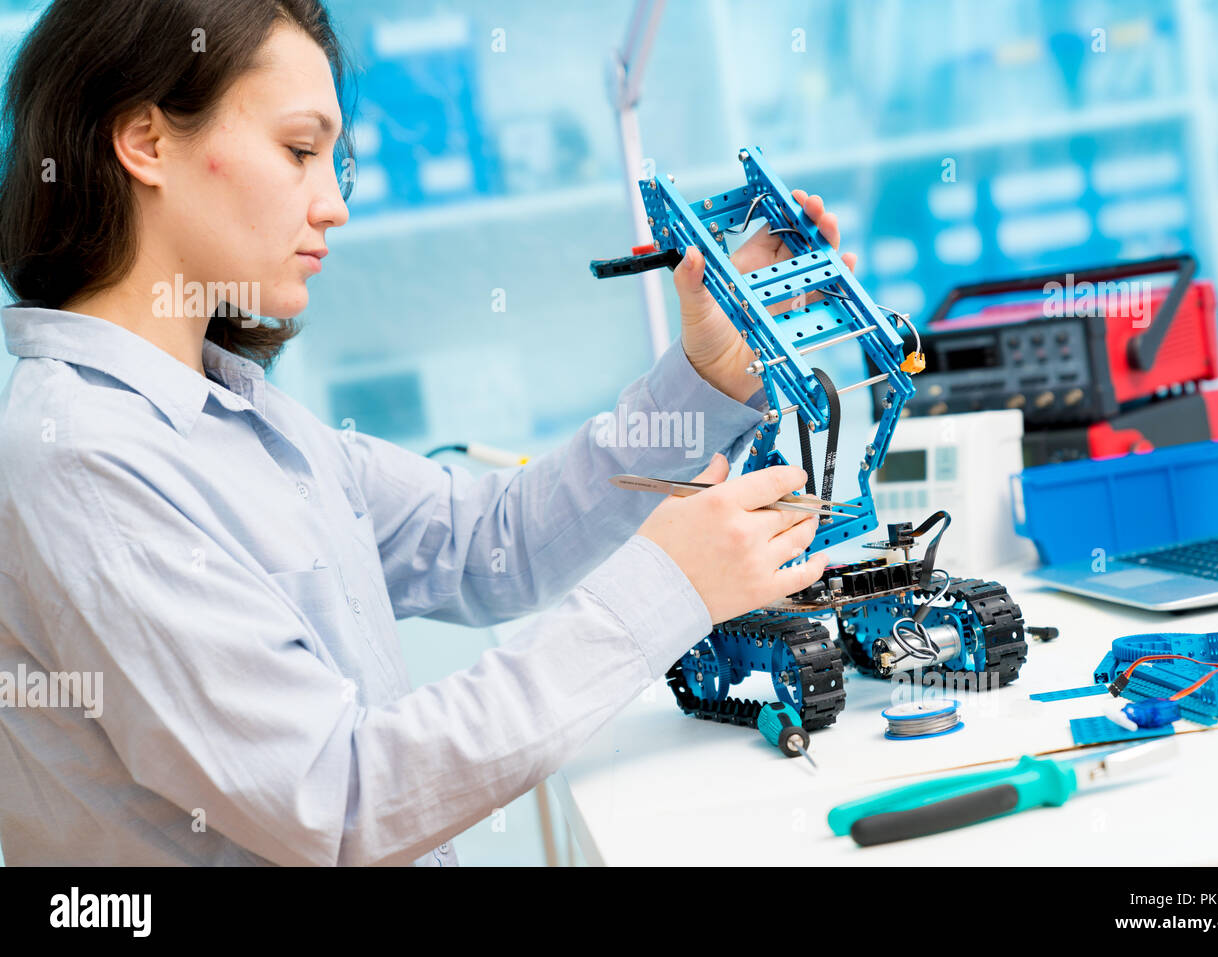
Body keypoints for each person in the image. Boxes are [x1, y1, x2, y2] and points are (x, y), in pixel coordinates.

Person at [0, 0, 855, 865]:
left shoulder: (230, 408)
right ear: (145, 141)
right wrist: (667, 586)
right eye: (298, 151)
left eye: (334, 163)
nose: (333, 205)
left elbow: (490, 542)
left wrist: (708, 378)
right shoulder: (84, 460)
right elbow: (337, 803)